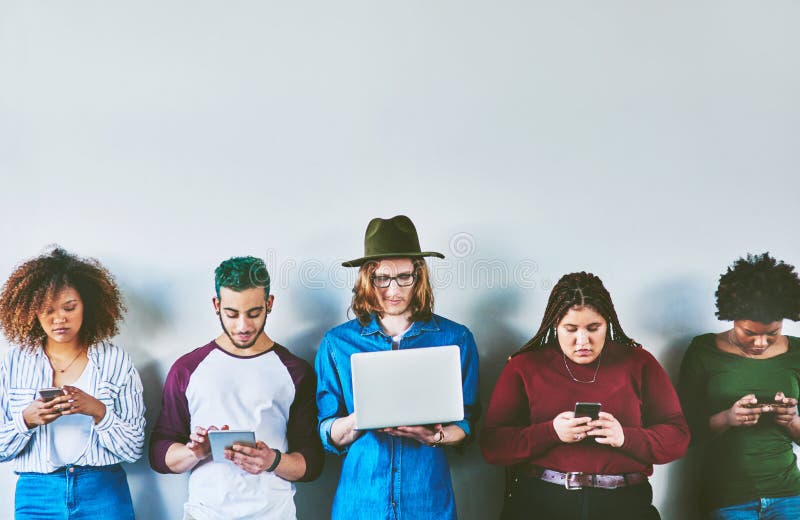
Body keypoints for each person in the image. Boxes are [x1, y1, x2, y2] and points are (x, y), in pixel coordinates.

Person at [481, 272, 689, 520]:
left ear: (608, 323)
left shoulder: (639, 362)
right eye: (570, 329)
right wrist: (551, 432)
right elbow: (493, 446)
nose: (583, 341)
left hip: (625, 506)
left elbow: (678, 437)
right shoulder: (524, 366)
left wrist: (625, 437)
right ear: (554, 325)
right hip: (540, 503)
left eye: (593, 328)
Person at [315, 215, 480, 520]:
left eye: (405, 277)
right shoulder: (337, 344)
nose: (394, 290)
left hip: (427, 503)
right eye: (382, 278)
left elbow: (467, 425)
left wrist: (434, 437)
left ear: (419, 276)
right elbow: (327, 432)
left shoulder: (456, 339)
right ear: (368, 277)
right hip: (361, 503)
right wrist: (359, 419)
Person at [149, 255, 323, 520]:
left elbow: (312, 463)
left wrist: (273, 460)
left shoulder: (295, 371)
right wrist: (194, 452)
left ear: (269, 303)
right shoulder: (187, 368)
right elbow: (159, 453)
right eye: (232, 314)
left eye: (254, 313)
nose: (243, 326)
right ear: (216, 305)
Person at [0, 247, 145, 519]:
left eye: (70, 307)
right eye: (47, 310)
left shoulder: (116, 361)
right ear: (31, 312)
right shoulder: (14, 363)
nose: (59, 319)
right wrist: (26, 420)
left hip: (103, 490)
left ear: (88, 305)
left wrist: (98, 411)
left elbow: (135, 449)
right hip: (37, 494)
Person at [678, 253, 800, 519]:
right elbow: (681, 433)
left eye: (772, 333)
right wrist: (727, 418)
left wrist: (790, 421)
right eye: (749, 333)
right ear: (732, 316)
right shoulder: (703, 351)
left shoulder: (797, 353)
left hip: (789, 496)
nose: (760, 343)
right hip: (727, 498)